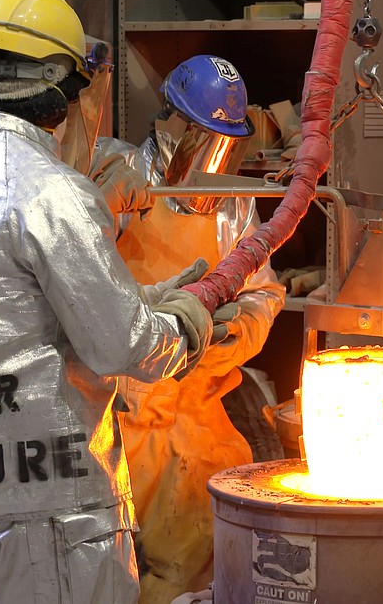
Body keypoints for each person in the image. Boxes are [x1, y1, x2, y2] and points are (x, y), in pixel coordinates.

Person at [0, 0, 213, 604]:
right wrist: (188, 322)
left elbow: (19, 313)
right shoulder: (52, 191)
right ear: (56, 91)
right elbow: (129, 351)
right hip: (51, 514)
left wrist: (146, 294)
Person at [89, 55, 286, 602]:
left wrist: (241, 329)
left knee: (238, 514)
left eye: (229, 148)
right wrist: (101, 207)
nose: (215, 165)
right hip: (126, 407)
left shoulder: (232, 204)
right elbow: (68, 270)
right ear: (171, 124)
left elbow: (263, 290)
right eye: (207, 145)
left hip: (195, 400)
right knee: (165, 554)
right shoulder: (113, 174)